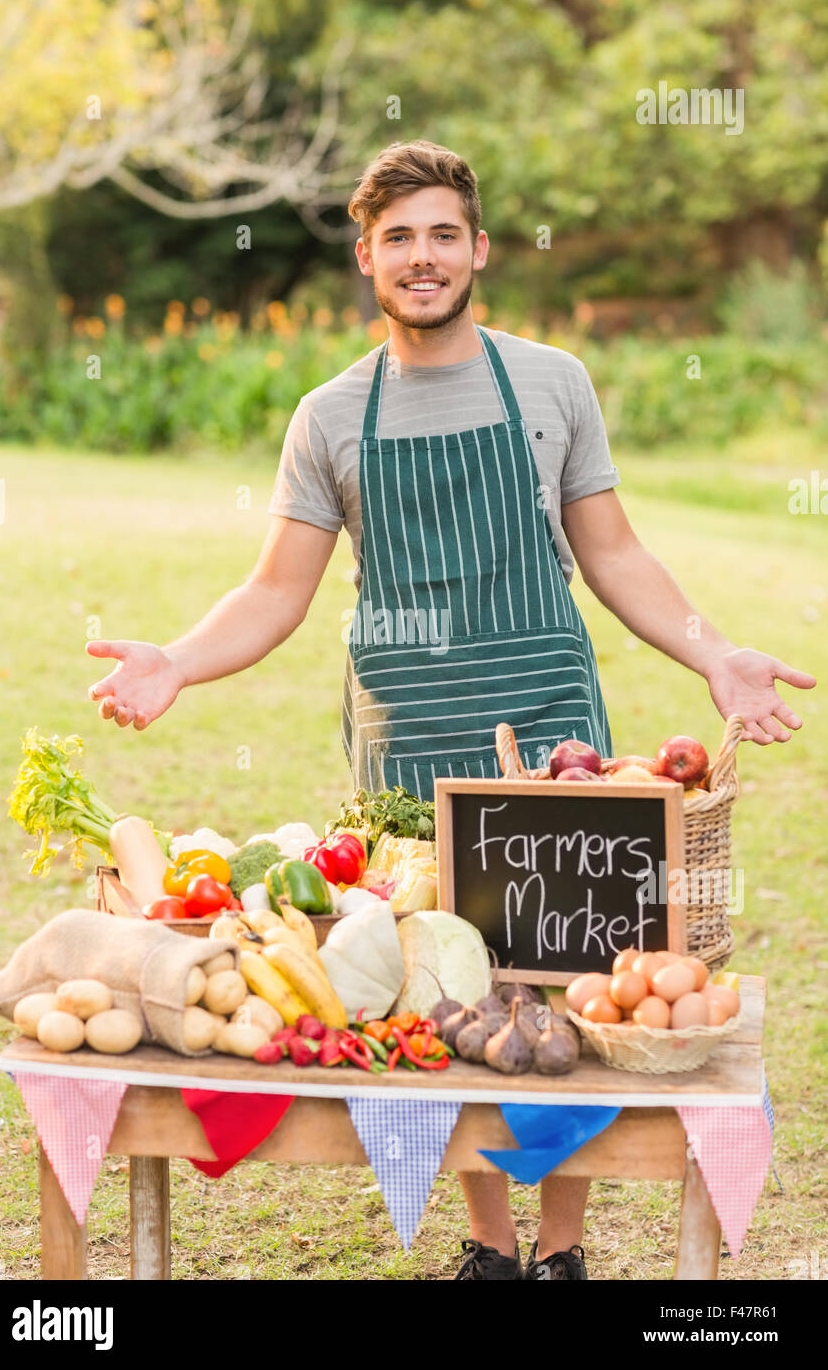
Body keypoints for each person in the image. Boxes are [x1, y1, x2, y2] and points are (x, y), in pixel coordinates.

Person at [87, 140, 816, 1281]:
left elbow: (611, 550)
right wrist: (178, 661)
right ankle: (487, 1244)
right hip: (408, 735)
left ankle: (562, 1248)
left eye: (440, 235)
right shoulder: (329, 416)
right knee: (447, 978)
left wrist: (714, 654)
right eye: (396, 239)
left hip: (548, 718)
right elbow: (278, 586)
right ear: (367, 258)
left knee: (572, 973)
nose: (420, 259)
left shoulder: (550, 382)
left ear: (476, 248)